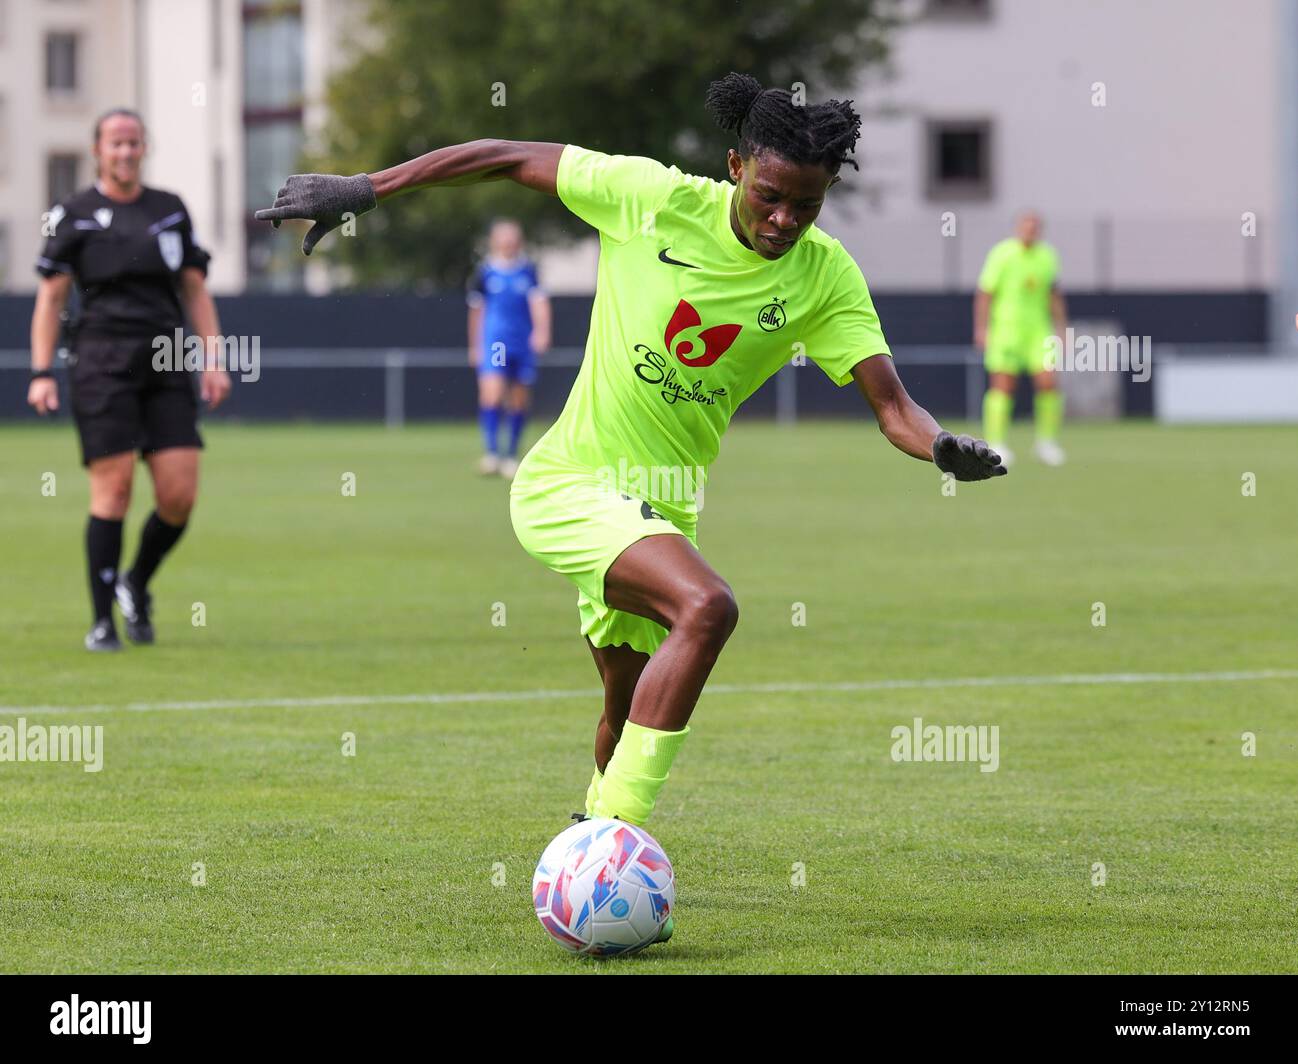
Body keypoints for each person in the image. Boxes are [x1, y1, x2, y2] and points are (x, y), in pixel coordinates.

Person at [255, 73, 1006, 941]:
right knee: (709, 606)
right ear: (734, 168)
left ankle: (595, 822)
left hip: (663, 514)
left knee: (624, 703)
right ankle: (609, 842)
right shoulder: (651, 198)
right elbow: (507, 156)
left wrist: (941, 447)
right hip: (568, 486)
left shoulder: (826, 277)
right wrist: (369, 187)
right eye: (769, 197)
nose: (784, 221)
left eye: (807, 204)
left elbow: (893, 407)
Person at [29, 108, 230, 651]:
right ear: (98, 150)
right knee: (113, 490)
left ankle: (135, 582)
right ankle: (101, 621)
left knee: (179, 496)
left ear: (145, 148)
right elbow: (50, 298)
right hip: (100, 363)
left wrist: (214, 358)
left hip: (166, 363)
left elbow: (195, 289)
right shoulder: (72, 213)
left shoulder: (169, 210)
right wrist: (42, 371)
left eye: (134, 142)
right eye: (115, 143)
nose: (125, 151)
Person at [974, 212, 1068, 466]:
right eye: (1026, 227)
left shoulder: (1048, 256)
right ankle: (995, 444)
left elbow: (1054, 294)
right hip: (1006, 332)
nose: (1030, 231)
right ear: (1017, 229)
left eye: (1035, 227)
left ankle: (1046, 442)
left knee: (1049, 382)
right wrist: (982, 328)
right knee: (1002, 386)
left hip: (1038, 332)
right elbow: (985, 293)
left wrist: (1061, 329)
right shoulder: (1002, 254)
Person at [466, 219, 551, 478]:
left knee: (518, 399)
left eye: (512, 238)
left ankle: (511, 456)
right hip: (496, 343)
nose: (508, 242)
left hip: (522, 343)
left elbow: (539, 303)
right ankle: (492, 454)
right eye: (503, 238)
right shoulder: (485, 273)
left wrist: (542, 332)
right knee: (492, 394)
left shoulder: (528, 271)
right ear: (494, 241)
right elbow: (476, 311)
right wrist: (475, 345)